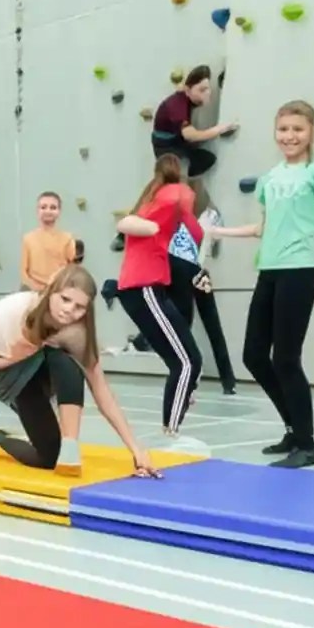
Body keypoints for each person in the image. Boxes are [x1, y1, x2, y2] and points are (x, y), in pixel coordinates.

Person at [210, 100, 314, 469]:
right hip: (269, 269)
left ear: (311, 132)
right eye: (283, 129)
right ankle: (293, 428)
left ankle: (307, 445)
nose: (290, 136)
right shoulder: (269, 179)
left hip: (302, 269)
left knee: (285, 358)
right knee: (254, 356)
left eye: (298, 129)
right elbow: (263, 228)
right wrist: (216, 230)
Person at [0, 266, 163, 478]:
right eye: (65, 299)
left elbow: (100, 388)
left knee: (66, 359)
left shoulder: (74, 331)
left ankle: (70, 445)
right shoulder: (12, 311)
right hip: (7, 375)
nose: (69, 310)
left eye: (79, 307)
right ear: (51, 291)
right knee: (48, 458)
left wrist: (136, 449)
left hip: (40, 365)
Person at [114, 154, 204, 437]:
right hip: (144, 288)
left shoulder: (155, 202)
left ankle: (176, 415)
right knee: (187, 362)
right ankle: (171, 429)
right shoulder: (170, 197)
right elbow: (125, 223)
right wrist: (151, 227)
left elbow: (197, 231)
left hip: (148, 288)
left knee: (188, 361)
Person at [166, 190, 237, 395]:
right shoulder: (211, 215)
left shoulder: (178, 219)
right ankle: (228, 379)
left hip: (181, 272)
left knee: (183, 323)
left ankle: (186, 374)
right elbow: (212, 249)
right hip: (200, 271)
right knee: (211, 324)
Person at [151, 65, 237, 180]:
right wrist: (218, 129)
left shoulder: (185, 97)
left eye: (208, 89)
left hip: (177, 140)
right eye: (202, 90)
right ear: (188, 90)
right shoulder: (177, 107)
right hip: (167, 147)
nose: (207, 93)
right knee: (202, 160)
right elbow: (191, 135)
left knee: (204, 158)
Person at [20, 192, 76, 291]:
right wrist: (35, 288)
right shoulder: (28, 238)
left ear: (59, 211)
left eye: (53, 207)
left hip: (59, 289)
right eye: (43, 207)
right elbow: (24, 271)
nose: (48, 211)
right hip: (33, 291)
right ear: (37, 210)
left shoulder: (67, 238)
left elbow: (72, 269)